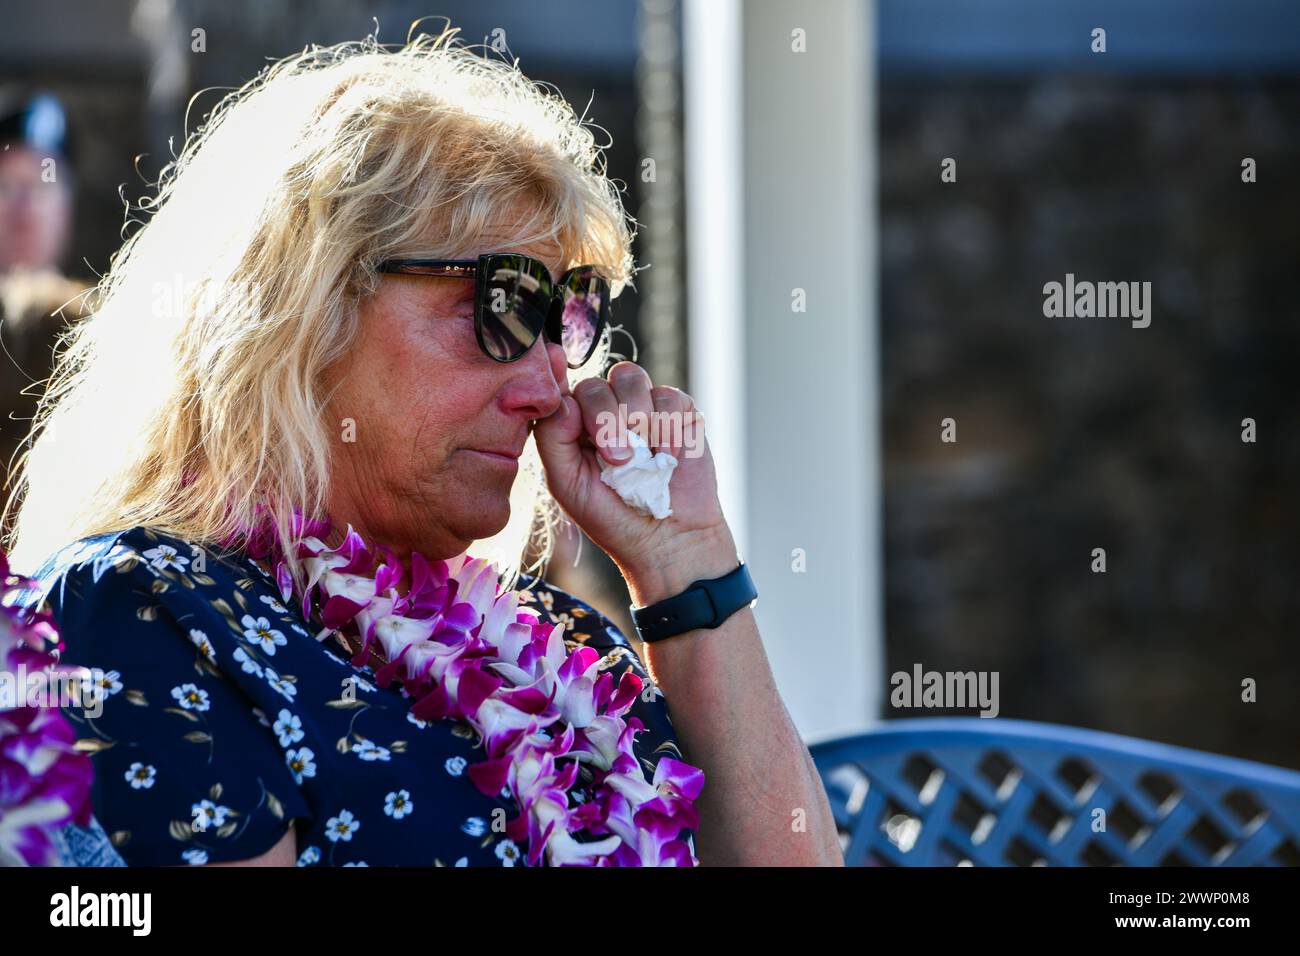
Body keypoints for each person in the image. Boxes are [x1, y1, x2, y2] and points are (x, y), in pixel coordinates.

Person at [4, 29, 842, 867]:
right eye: (505, 304)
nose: (549, 389)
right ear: (307, 307)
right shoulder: (146, 609)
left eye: (566, 316)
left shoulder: (553, 643)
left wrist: (686, 566)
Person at [0, 91, 88, 544]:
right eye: (6, 186)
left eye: (42, 186)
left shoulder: (103, 329)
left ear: (68, 205)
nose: (23, 210)